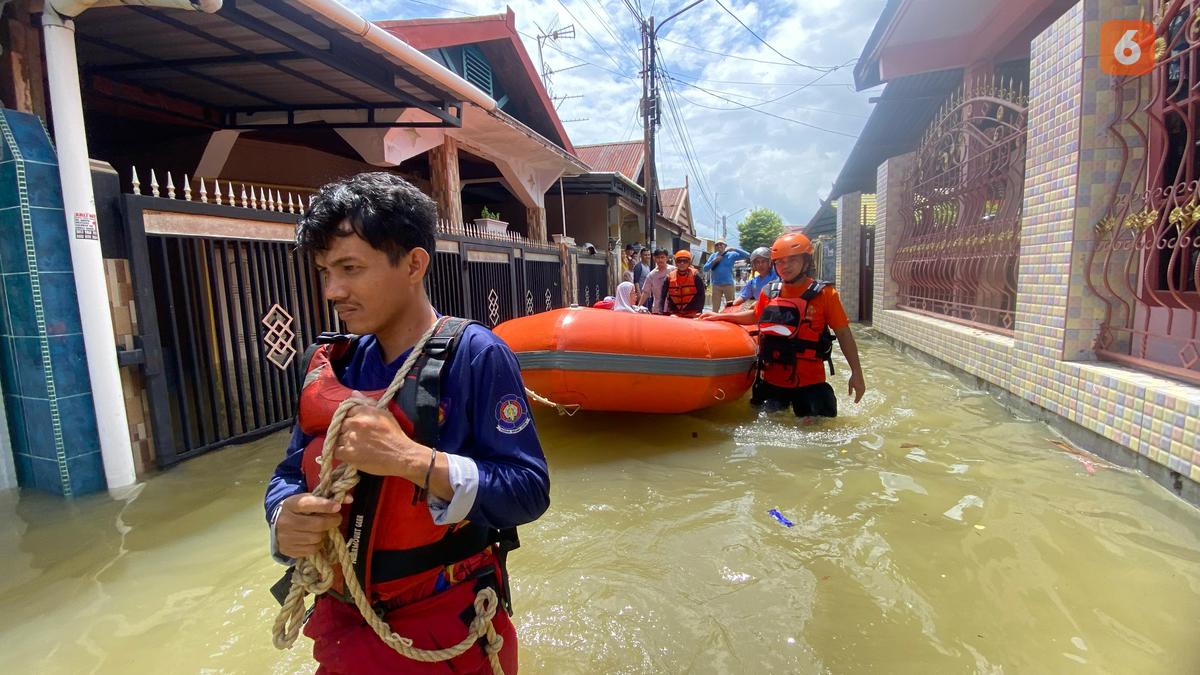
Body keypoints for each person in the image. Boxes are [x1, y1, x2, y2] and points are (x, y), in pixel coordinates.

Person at [264, 172, 550, 674]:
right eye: (325, 270)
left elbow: (528, 491)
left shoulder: (475, 356)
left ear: (415, 263)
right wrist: (282, 515)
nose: (333, 289)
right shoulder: (334, 362)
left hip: (450, 634)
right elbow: (291, 469)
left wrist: (411, 460)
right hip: (343, 630)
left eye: (350, 268)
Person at [699, 232, 865, 417]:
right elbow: (755, 316)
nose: (785, 266)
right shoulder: (769, 292)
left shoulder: (826, 294)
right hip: (772, 382)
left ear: (806, 261)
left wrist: (856, 373)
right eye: (780, 261)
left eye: (792, 260)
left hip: (810, 383)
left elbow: (844, 334)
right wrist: (719, 317)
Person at [702, 238, 748, 311]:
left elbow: (747, 255)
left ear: (725, 246)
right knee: (715, 307)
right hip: (716, 285)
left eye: (721, 244)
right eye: (717, 245)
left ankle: (730, 319)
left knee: (731, 306)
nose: (719, 246)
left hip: (728, 284)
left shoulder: (731, 255)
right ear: (715, 247)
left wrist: (734, 249)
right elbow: (705, 268)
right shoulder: (713, 256)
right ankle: (714, 320)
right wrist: (714, 261)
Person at [727, 246, 778, 311]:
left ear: (769, 262)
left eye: (763, 261)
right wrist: (734, 303)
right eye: (757, 262)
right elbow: (743, 296)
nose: (760, 264)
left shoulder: (777, 274)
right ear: (754, 264)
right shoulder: (752, 282)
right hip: (759, 311)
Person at [661, 249, 706, 318]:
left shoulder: (696, 276)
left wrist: (699, 311)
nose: (682, 263)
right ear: (676, 263)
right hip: (675, 312)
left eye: (685, 261)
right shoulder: (669, 277)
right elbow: (663, 296)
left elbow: (701, 294)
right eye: (679, 261)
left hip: (692, 311)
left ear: (689, 263)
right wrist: (661, 310)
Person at [640, 249, 674, 314]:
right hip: (657, 309)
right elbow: (645, 292)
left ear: (667, 258)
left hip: (672, 308)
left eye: (662, 257)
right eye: (658, 258)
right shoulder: (651, 275)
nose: (660, 260)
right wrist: (639, 306)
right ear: (654, 258)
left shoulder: (673, 270)